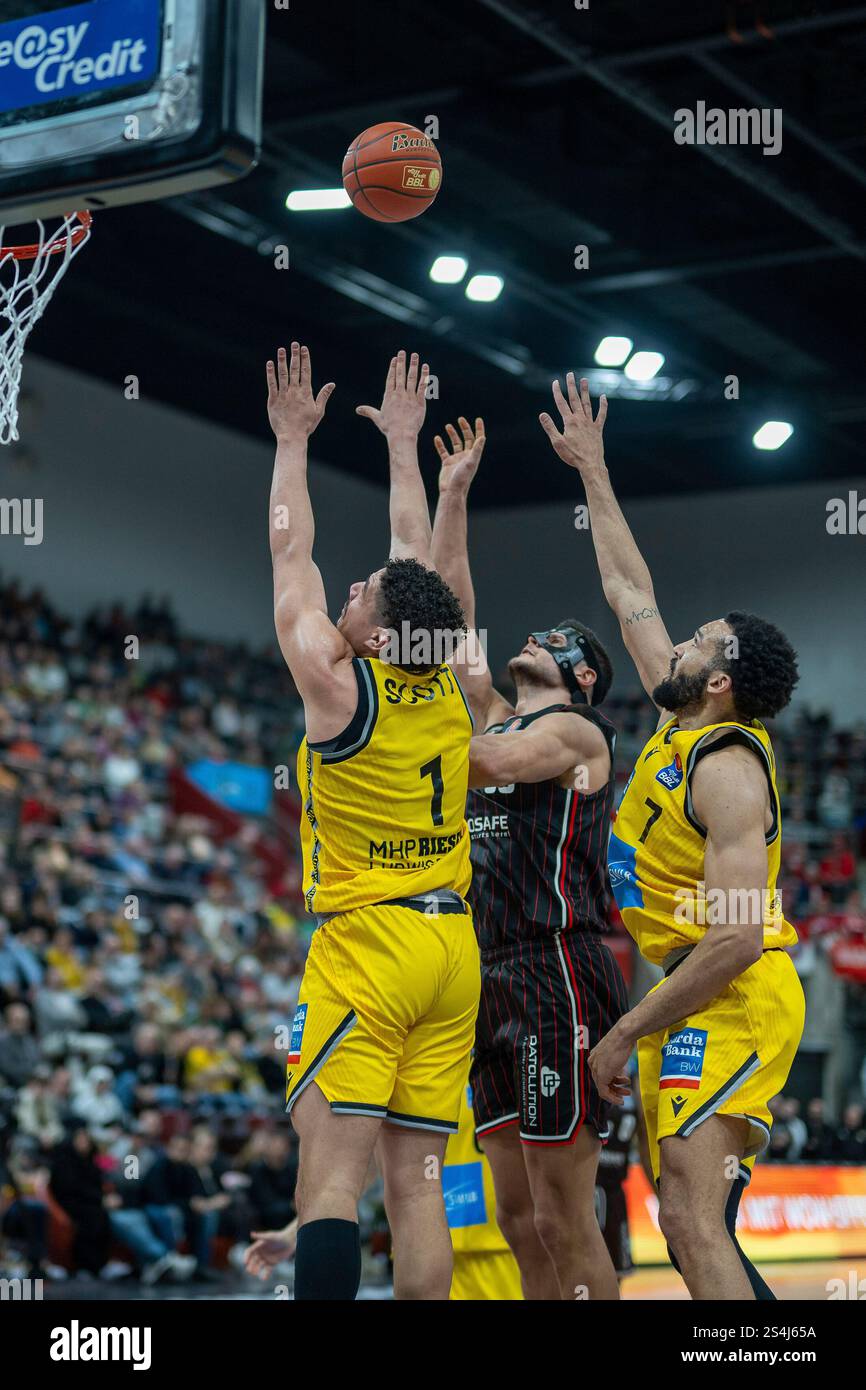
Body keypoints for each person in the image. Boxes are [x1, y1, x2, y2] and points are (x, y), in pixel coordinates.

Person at [541, 373, 804, 1301]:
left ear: (721, 680)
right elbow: (627, 588)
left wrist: (622, 1031)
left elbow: (735, 938)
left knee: (691, 1220)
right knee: (697, 1226)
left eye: (697, 641)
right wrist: (594, 468)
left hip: (732, 990)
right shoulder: (679, 712)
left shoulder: (726, 768)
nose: (677, 643)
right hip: (692, 988)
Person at [245, 344, 479, 1301]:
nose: (347, 592)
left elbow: (289, 549)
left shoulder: (338, 686)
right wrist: (403, 450)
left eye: (361, 596)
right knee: (417, 1185)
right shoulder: (456, 686)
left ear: (379, 633)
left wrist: (292, 442)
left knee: (330, 1181)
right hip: (451, 948)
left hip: (371, 941)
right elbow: (413, 559)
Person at [431, 416, 627, 1300]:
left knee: (562, 1213)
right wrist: (453, 493)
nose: (534, 636)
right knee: (514, 1218)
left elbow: (493, 762)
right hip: (488, 973)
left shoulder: (575, 731)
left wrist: (393, 735)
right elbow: (450, 621)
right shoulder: (494, 716)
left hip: (557, 967)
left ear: (583, 673)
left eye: (556, 637)